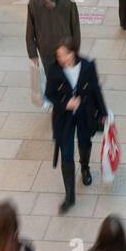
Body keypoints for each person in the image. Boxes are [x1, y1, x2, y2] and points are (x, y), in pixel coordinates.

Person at [46, 40, 107, 212]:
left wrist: (102, 113)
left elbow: (96, 90)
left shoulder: (87, 66)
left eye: (65, 54)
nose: (61, 58)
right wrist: (66, 103)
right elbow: (49, 94)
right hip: (63, 117)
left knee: (84, 143)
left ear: (73, 52)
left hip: (84, 114)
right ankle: (70, 196)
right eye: (59, 55)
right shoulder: (54, 70)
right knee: (66, 153)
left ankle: (85, 167)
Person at [26, 0, 82, 82]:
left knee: (69, 80)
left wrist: (75, 51)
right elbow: (30, 31)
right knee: (53, 82)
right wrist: (33, 54)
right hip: (46, 51)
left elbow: (75, 26)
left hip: (66, 50)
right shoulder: (34, 2)